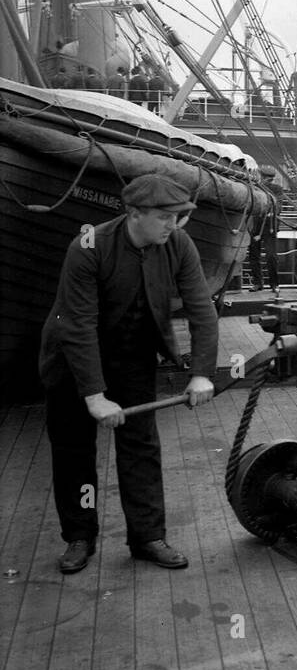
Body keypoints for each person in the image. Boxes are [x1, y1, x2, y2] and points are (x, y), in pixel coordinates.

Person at [40, 173, 219, 574]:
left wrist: (202, 372)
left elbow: (201, 308)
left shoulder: (177, 243)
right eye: (164, 217)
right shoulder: (88, 247)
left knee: (141, 447)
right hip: (73, 359)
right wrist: (94, 395)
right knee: (74, 451)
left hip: (132, 354)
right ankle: (79, 536)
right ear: (134, 213)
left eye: (179, 217)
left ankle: (147, 536)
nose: (173, 226)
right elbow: (78, 324)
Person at [247, 175, 281, 292]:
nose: (268, 180)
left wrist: (272, 210)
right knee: (253, 255)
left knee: (271, 256)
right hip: (255, 225)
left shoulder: (276, 189)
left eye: (269, 179)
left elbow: (278, 205)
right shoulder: (254, 187)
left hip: (270, 226)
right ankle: (258, 283)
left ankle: (274, 284)